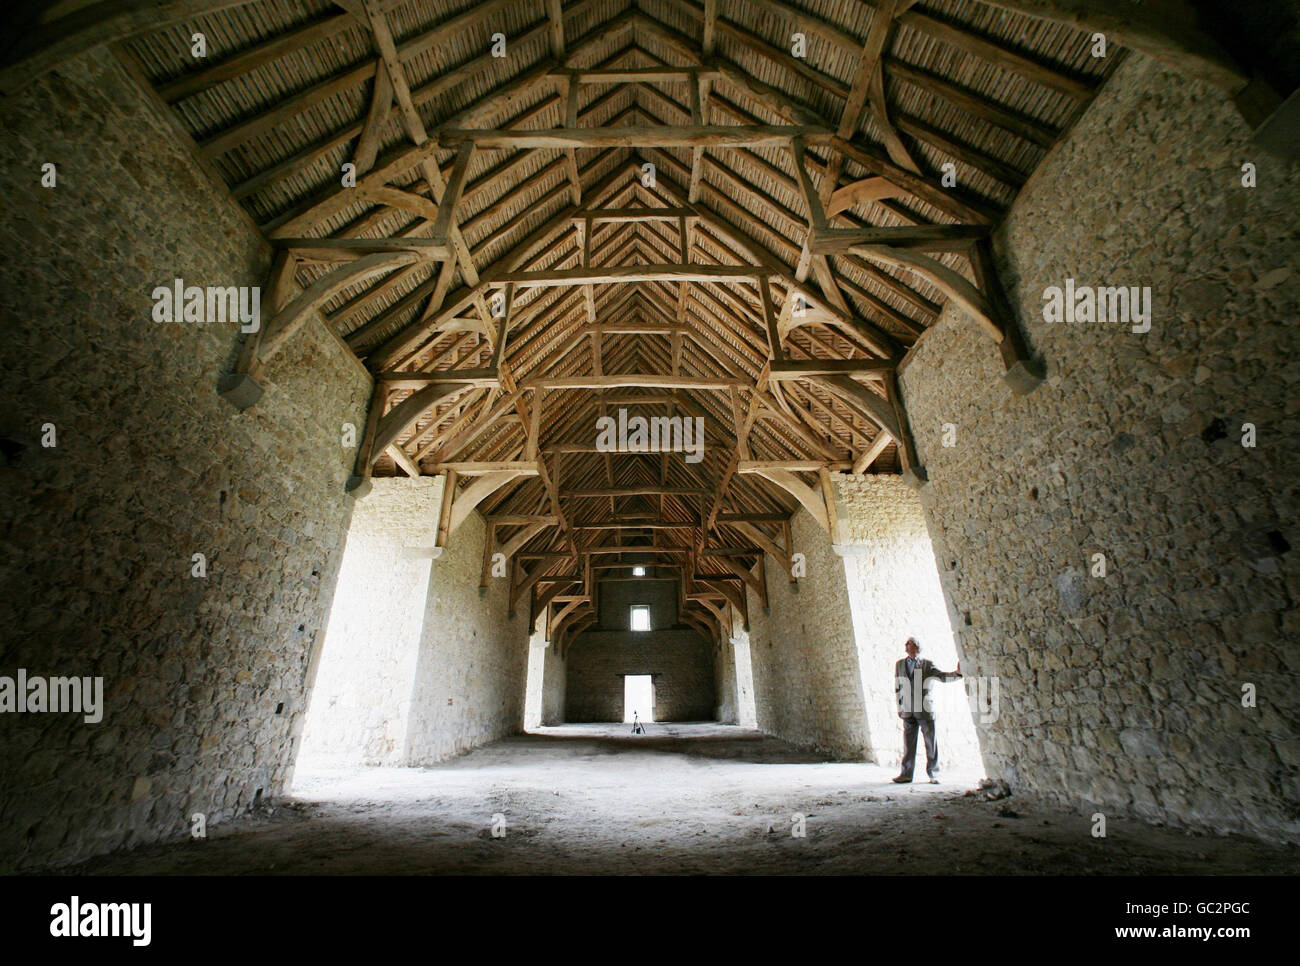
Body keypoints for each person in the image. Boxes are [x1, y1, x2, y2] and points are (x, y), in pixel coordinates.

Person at [893, 637, 962, 784]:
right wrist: (899, 707)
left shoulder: (927, 664)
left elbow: (942, 677)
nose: (906, 645)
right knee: (908, 744)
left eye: (909, 643)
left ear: (917, 647)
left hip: (925, 709)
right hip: (908, 710)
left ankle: (933, 773)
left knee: (931, 743)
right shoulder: (899, 664)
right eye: (906, 643)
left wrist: (957, 673)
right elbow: (898, 687)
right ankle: (906, 774)